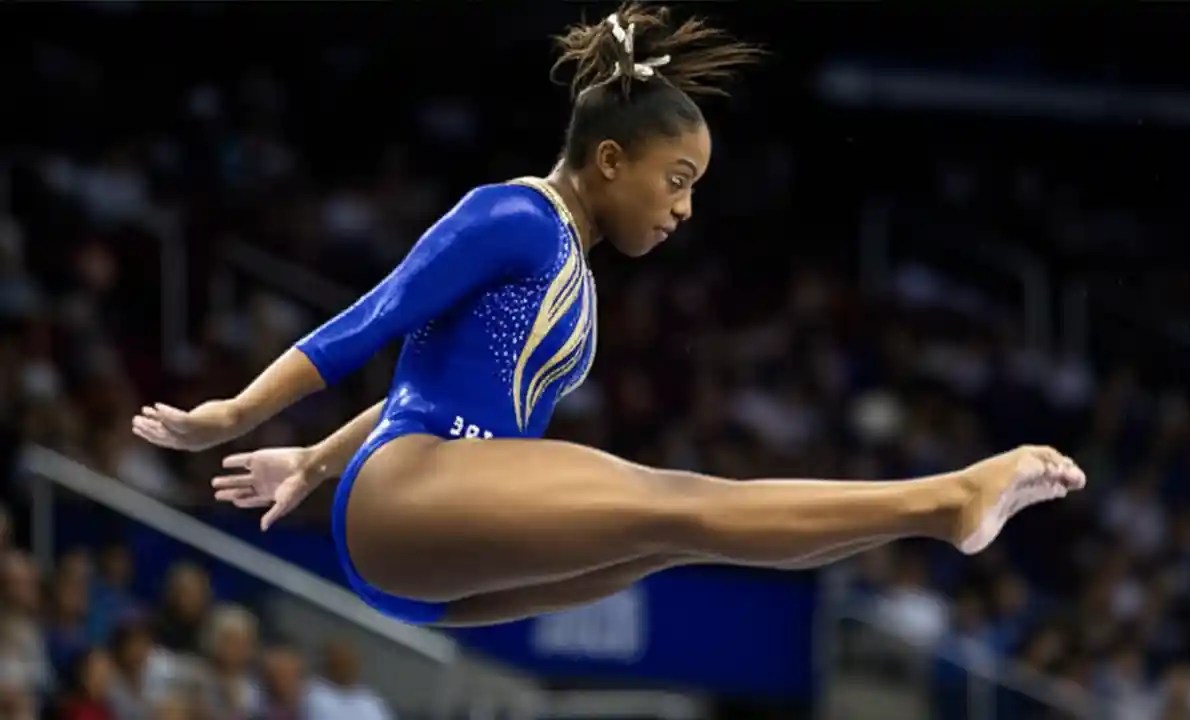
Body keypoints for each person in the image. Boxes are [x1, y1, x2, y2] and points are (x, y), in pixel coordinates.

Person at [131, 3, 1086, 627]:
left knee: (676, 537)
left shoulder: (577, 283)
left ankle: (934, 518)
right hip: (408, 495)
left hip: (433, 554)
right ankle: (945, 500)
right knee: (675, 499)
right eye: (677, 180)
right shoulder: (511, 214)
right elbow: (378, 318)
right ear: (610, 160)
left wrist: (310, 458)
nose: (684, 208)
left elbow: (425, 380)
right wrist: (241, 416)